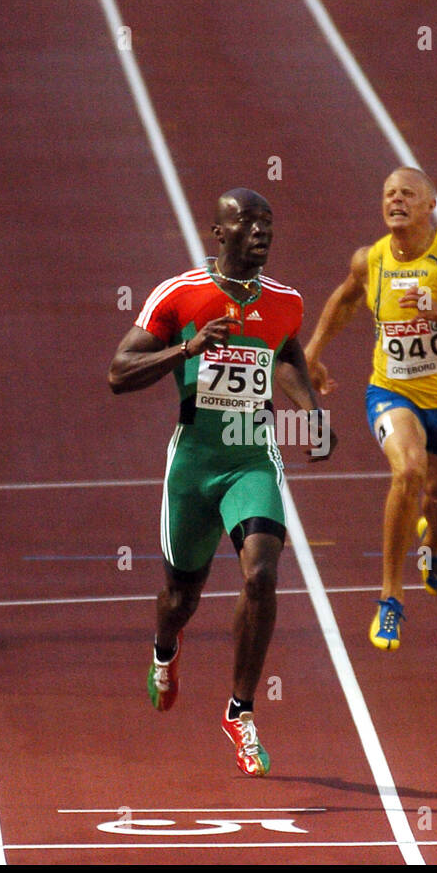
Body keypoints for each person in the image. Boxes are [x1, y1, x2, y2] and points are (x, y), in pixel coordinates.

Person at [108, 188, 334, 777]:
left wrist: (310, 409)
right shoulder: (180, 295)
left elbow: (286, 353)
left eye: (268, 223)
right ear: (219, 233)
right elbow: (118, 372)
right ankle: (165, 646)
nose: (262, 232)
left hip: (250, 457)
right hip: (194, 467)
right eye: (249, 223)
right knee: (181, 598)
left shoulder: (285, 301)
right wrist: (187, 347)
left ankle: (240, 709)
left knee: (261, 572)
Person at [304, 167, 437, 651]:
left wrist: (436, 312)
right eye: (388, 194)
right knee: (409, 470)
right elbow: (345, 299)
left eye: (407, 194)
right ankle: (390, 599)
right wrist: (311, 353)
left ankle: (433, 549)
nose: (395, 200)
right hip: (392, 391)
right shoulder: (370, 259)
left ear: (429, 204)